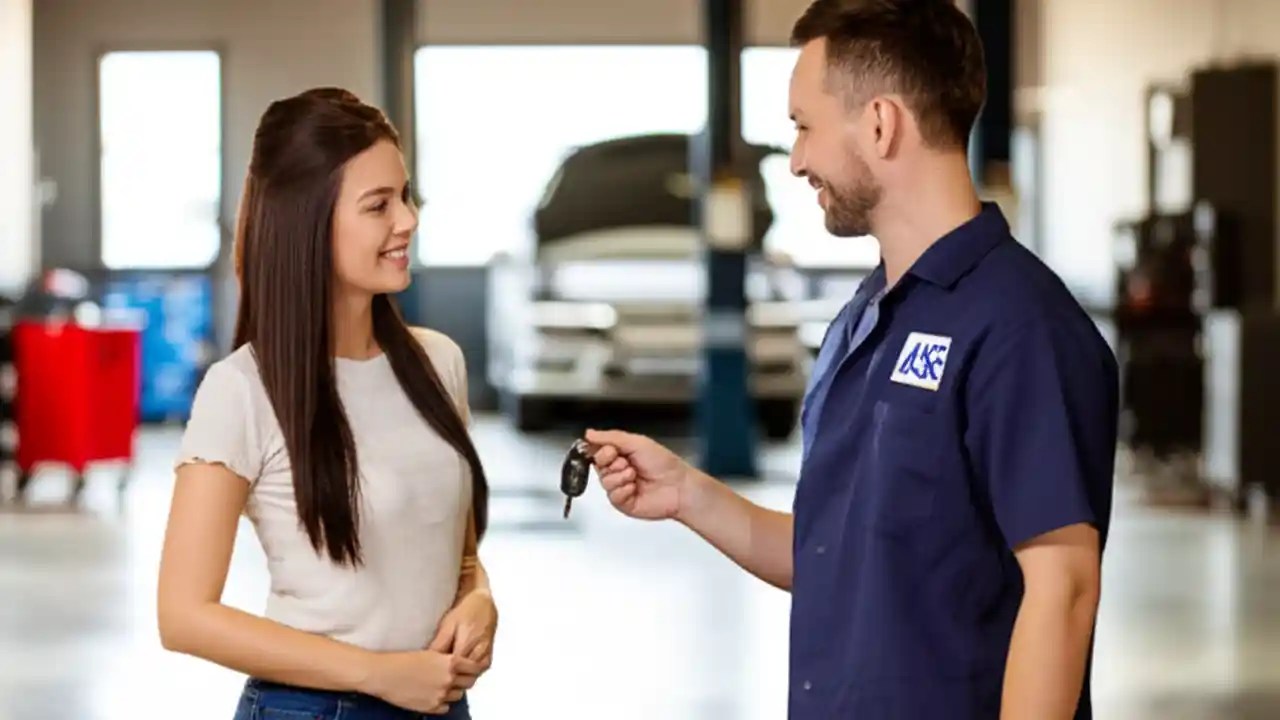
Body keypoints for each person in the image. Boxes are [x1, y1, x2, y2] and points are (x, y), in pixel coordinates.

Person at [586, 1, 1117, 718]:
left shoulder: (1020, 325)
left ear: (879, 122)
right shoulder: (862, 320)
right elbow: (834, 554)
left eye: (804, 126)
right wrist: (687, 494)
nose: (797, 158)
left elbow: (1064, 586)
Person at [157, 88, 495, 719]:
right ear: (309, 223)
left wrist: (480, 598)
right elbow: (183, 616)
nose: (408, 220)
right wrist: (379, 675)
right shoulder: (242, 390)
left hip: (440, 701)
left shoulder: (437, 363)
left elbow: (458, 550)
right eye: (379, 205)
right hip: (315, 710)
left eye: (406, 195)